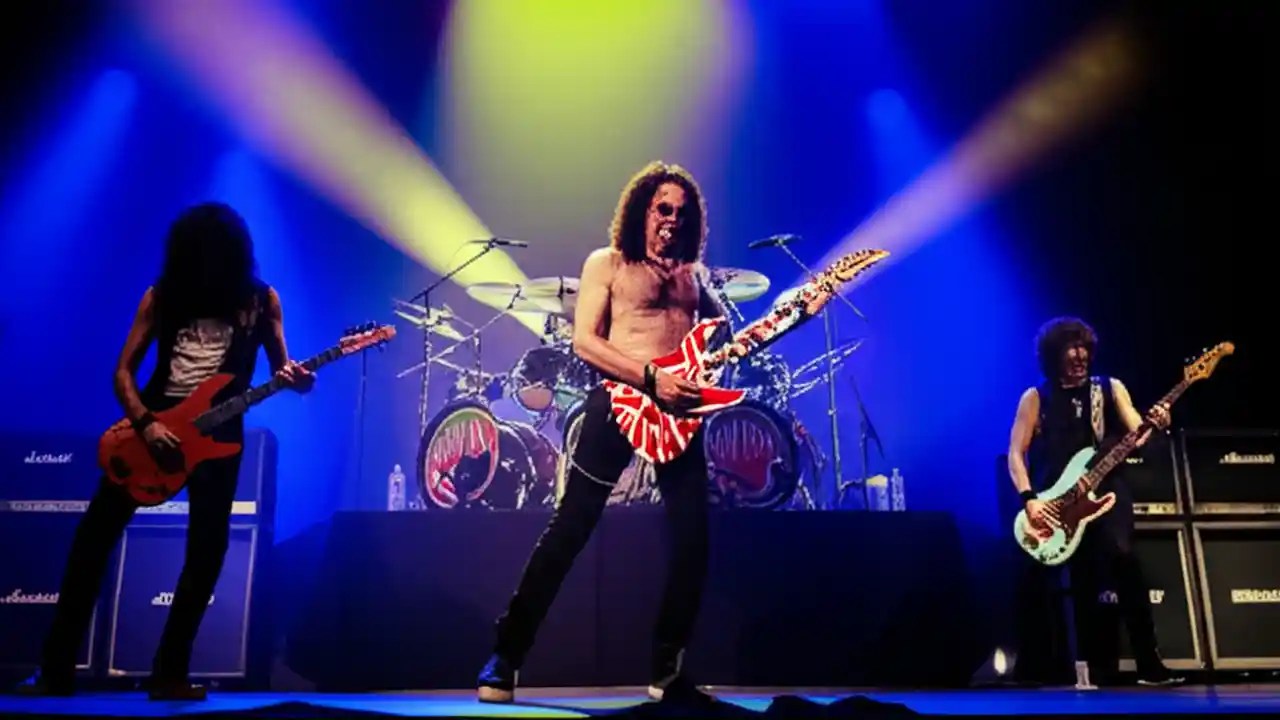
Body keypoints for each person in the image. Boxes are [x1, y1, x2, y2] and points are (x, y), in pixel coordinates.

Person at [477, 161, 809, 704]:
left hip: (678, 415)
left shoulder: (695, 277)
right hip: (619, 401)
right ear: (641, 211)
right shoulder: (606, 264)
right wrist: (652, 377)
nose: (672, 221)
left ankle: (666, 666)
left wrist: (794, 315)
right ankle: (506, 655)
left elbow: (729, 342)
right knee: (570, 529)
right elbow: (585, 342)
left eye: (682, 213)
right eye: (662, 209)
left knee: (692, 539)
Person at [14, 202, 313, 700]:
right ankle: (55, 668)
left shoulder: (261, 302)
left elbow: (285, 370)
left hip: (219, 441)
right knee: (92, 540)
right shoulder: (162, 296)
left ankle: (169, 671)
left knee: (207, 552)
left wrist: (299, 380)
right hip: (150, 433)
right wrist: (147, 424)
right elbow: (123, 372)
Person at [1007, 316, 1183, 687]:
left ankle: (1149, 664)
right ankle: (1031, 668)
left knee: (1124, 559)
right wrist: (1029, 500)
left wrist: (1159, 424)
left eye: (1084, 347)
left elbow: (1139, 433)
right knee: (1032, 578)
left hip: (1105, 491)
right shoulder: (1036, 398)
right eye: (1071, 348)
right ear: (1053, 354)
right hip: (1055, 501)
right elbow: (1015, 453)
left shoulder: (1109, 389)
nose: (1079, 355)